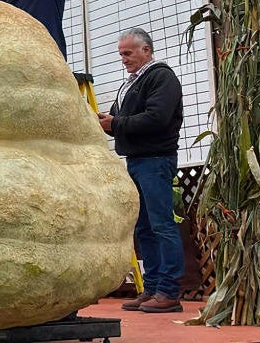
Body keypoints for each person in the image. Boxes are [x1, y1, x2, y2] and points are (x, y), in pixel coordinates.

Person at [97, 28, 185, 313]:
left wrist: (115, 124)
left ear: (146, 50)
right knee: (145, 228)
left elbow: (157, 118)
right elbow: (122, 118)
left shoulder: (161, 77)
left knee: (161, 225)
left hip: (155, 160)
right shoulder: (131, 83)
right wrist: (108, 122)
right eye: (121, 54)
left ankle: (169, 290)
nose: (123, 59)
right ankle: (153, 287)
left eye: (128, 53)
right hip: (137, 160)